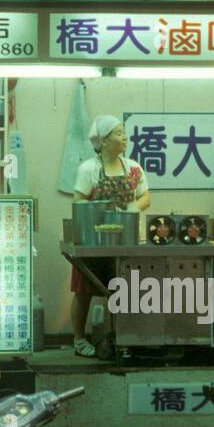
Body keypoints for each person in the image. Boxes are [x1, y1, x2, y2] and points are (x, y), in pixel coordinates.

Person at [70, 115, 151, 358]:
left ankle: (125, 337)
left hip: (128, 239)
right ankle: (79, 339)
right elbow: (79, 200)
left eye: (124, 132)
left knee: (126, 289)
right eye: (118, 133)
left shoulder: (134, 168)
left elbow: (145, 196)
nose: (124, 137)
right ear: (103, 141)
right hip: (96, 240)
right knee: (84, 290)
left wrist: (133, 207)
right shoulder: (89, 169)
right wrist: (99, 213)